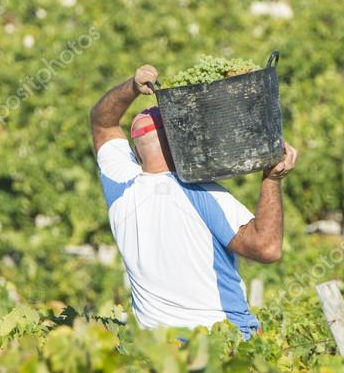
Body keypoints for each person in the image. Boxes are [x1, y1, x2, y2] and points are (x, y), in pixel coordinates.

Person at [89, 64, 298, 338]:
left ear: (137, 152)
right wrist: (272, 180)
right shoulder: (201, 193)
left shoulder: (121, 189)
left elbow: (102, 122)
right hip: (220, 344)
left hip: (158, 350)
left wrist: (131, 87)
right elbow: (267, 248)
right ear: (182, 143)